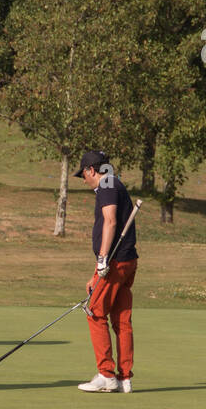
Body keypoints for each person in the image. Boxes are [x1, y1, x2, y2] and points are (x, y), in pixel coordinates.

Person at [74, 150, 137, 393]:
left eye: (83, 175)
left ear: (91, 170)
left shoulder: (107, 184)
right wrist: (96, 272)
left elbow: (110, 221)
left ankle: (106, 375)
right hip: (124, 262)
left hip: (115, 262)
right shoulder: (114, 182)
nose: (83, 180)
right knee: (121, 319)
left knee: (95, 313)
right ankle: (124, 378)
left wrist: (101, 261)